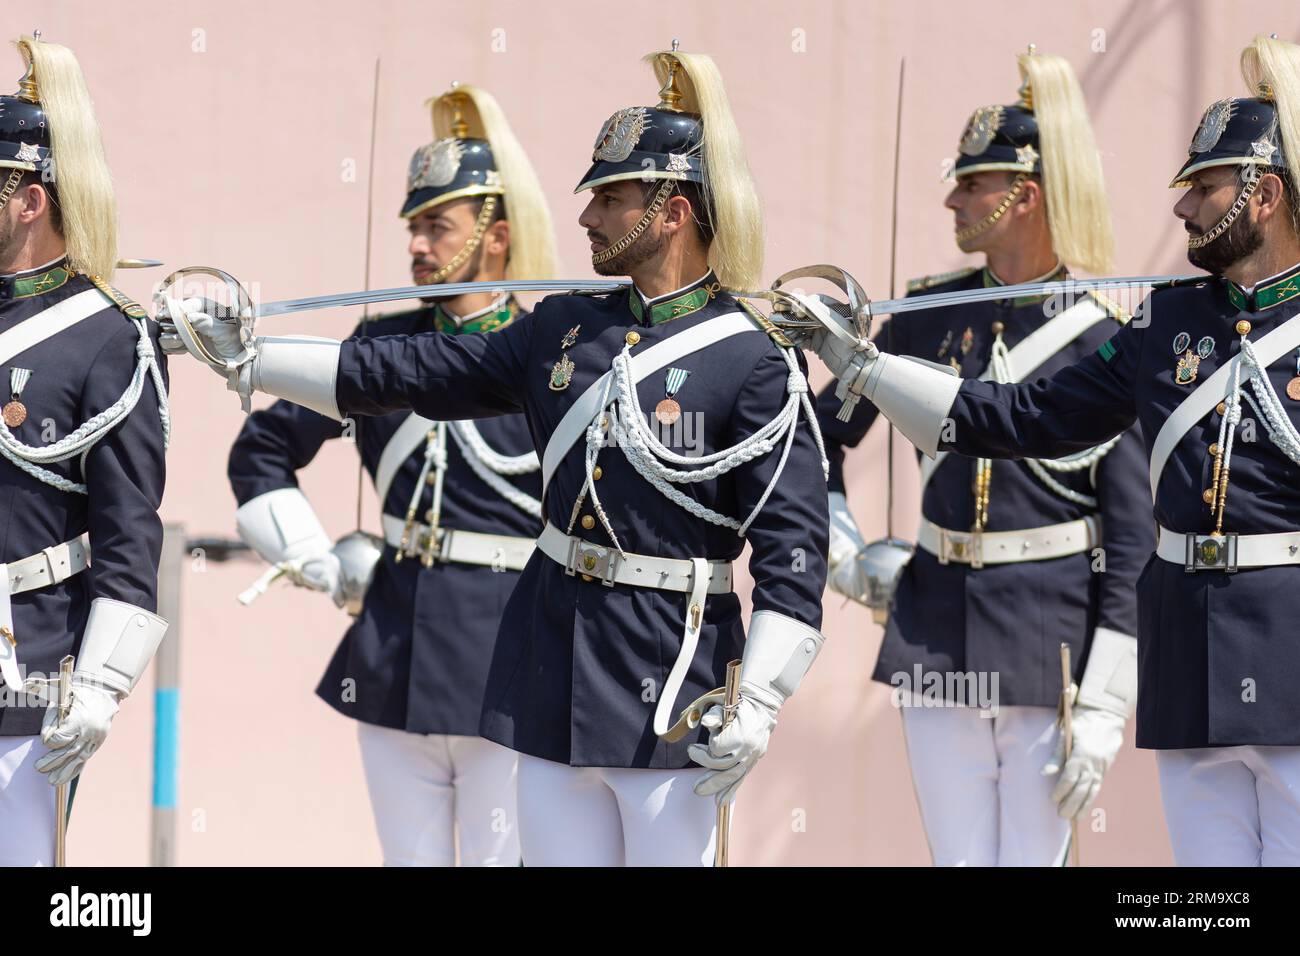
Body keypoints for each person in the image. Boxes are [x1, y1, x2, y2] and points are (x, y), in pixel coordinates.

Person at [166, 47, 829, 867]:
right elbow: (405, 373)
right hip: (552, 664)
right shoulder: (563, 327)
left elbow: (794, 549)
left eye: (611, 199)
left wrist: (759, 698)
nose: (585, 218)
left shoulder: (755, 360)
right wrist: (243, 355)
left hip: (675, 678)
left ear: (673, 210)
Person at [821, 35, 1300, 867]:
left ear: (1263, 194)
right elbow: (1024, 417)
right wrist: (861, 366)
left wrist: (1105, 698)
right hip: (1188, 663)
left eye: (1204, 186)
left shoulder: (1126, 320)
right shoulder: (1165, 322)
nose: (1182, 208)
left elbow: (1117, 521)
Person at [817, 49, 1149, 866]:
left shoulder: (1101, 336)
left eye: (974, 183)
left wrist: (1106, 702)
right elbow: (815, 442)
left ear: (1025, 196)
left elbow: (1133, 537)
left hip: (1051, 640)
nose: (953, 198)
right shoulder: (926, 319)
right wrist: (848, 557)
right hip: (931, 627)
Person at [225, 85, 556, 866]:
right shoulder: (382, 344)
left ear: (497, 236)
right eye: (414, 227)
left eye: (438, 226)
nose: (418, 245)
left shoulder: (552, 351)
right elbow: (261, 450)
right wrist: (305, 551)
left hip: (512, 647)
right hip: (398, 641)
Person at [0, 34, 169, 866]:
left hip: (27, 666)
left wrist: (101, 684)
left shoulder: (109, 337)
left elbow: (130, 531)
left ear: (28, 199)